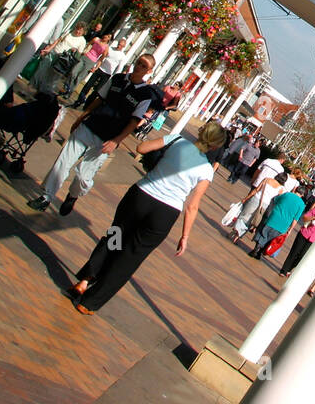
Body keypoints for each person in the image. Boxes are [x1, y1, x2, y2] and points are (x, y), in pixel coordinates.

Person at [68, 121, 226, 313]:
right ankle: (89, 303)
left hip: (141, 195)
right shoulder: (206, 170)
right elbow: (193, 206)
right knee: (129, 258)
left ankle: (85, 280)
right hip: (165, 213)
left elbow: (141, 147)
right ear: (215, 146)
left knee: (115, 236)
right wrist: (184, 236)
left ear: (201, 133)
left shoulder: (176, 140)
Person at [28, 54, 161, 214]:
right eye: (139, 62)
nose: (139, 67)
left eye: (144, 66)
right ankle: (46, 196)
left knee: (83, 176)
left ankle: (74, 195)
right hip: (90, 126)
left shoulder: (145, 95)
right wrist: (82, 117)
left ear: (149, 71)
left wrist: (116, 141)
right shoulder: (117, 79)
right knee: (64, 161)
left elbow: (134, 121)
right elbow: (99, 98)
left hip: (107, 138)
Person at [279, 200, 315, 275]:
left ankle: (289, 269)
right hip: (304, 233)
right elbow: (304, 218)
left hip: (313, 239)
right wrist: (313, 218)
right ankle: (283, 270)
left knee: (302, 256)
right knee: (294, 252)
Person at [250, 185, 306, 260]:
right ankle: (260, 253)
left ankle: (256, 249)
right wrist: (290, 229)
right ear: (302, 195)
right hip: (284, 225)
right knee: (271, 239)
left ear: (296, 189)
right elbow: (295, 219)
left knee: (263, 233)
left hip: (274, 217)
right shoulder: (302, 205)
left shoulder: (287, 194)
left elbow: (275, 199)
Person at [73, 36, 129, 108]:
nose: (119, 46)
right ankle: (79, 101)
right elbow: (101, 57)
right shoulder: (110, 49)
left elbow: (119, 68)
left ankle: (87, 105)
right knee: (88, 85)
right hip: (100, 69)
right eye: (119, 44)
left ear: (124, 47)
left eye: (121, 45)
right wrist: (96, 66)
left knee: (96, 91)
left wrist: (114, 77)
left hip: (107, 74)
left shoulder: (122, 56)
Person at [33, 24, 87, 93]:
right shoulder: (69, 31)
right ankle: (33, 87)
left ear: (83, 32)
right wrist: (49, 49)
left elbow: (78, 55)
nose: (78, 31)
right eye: (77, 29)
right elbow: (58, 40)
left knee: (53, 77)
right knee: (42, 69)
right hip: (55, 52)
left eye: (81, 30)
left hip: (63, 60)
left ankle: (44, 93)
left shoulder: (82, 41)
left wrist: (75, 51)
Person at [65, 33, 109, 98]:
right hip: (85, 57)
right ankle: (67, 87)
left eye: (108, 36)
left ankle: (69, 92)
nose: (106, 36)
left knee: (79, 78)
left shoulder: (106, 47)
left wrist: (96, 68)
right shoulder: (97, 39)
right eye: (106, 35)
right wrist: (83, 51)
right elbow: (88, 44)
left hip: (91, 62)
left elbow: (101, 59)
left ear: (109, 39)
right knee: (73, 72)